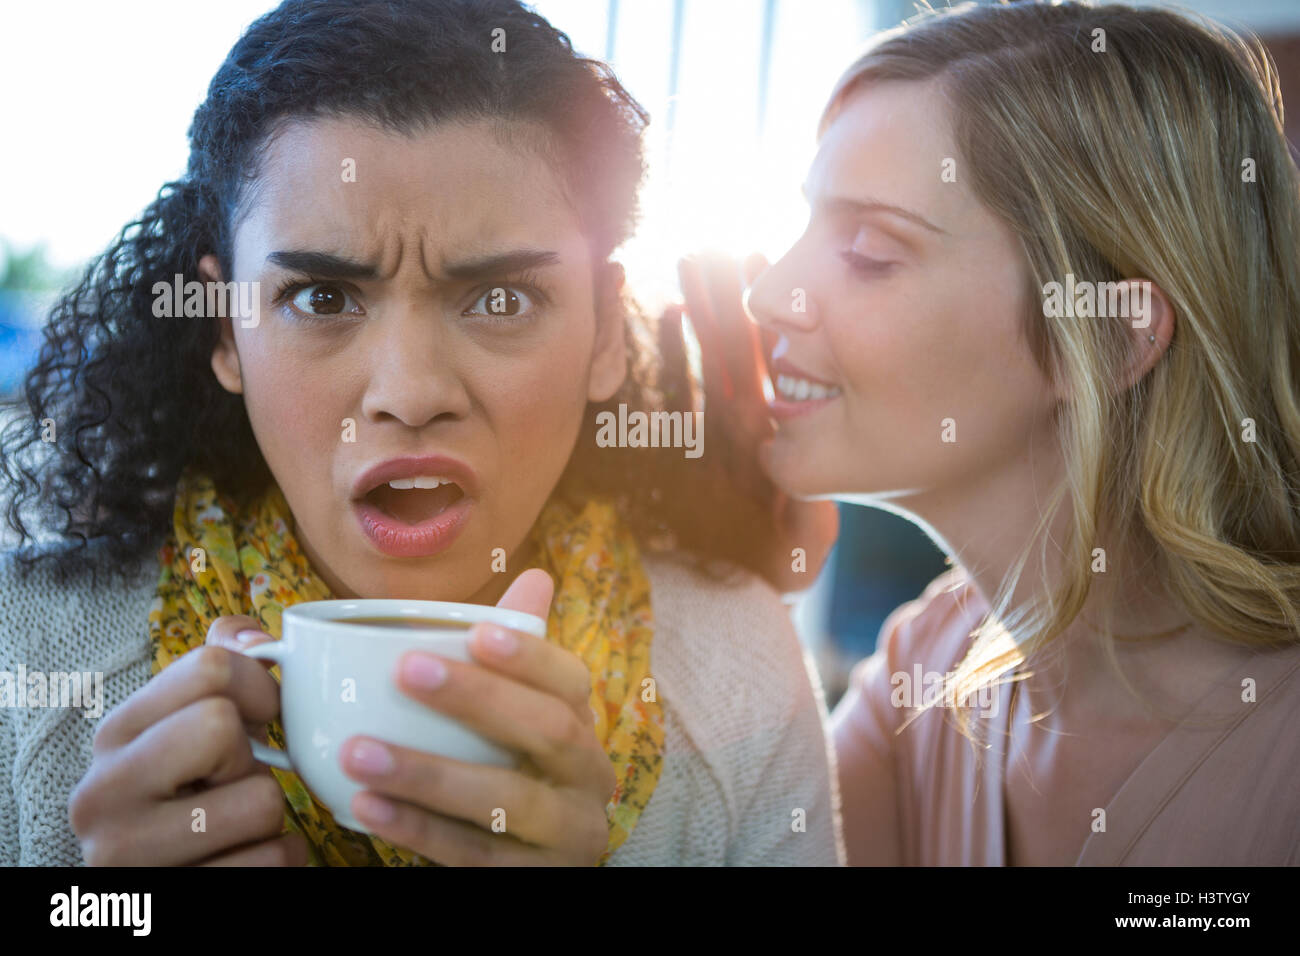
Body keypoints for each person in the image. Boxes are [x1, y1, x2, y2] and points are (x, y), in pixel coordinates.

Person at [0, 0, 843, 867]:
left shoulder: (738, 679)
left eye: (501, 300)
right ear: (224, 332)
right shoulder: (25, 660)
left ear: (599, 334)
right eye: (322, 298)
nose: (410, 394)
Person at [679, 0, 1300, 865]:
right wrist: (708, 595)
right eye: (806, 225)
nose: (771, 291)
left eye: (867, 251)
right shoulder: (920, 675)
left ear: (1111, 334)